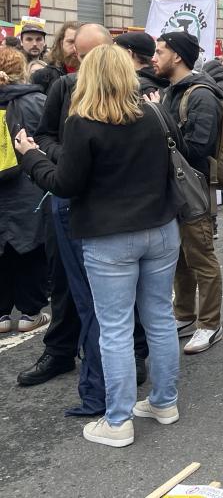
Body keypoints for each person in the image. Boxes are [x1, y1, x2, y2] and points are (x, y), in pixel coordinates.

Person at [16, 44, 183, 448]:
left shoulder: (82, 122)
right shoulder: (152, 113)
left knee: (115, 329)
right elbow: (182, 154)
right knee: (159, 318)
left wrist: (31, 156)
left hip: (109, 237)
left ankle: (119, 419)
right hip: (161, 228)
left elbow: (65, 185)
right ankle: (164, 401)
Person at [16, 24, 131, 416]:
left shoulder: (132, 90)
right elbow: (45, 135)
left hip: (113, 213)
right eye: (78, 53)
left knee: (113, 297)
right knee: (65, 283)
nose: (87, 61)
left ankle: (129, 361)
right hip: (64, 199)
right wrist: (68, 155)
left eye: (93, 52)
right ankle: (60, 351)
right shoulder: (63, 89)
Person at [154, 32, 223, 355]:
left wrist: (160, 122)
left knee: (201, 257)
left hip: (194, 187)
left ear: (178, 57)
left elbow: (200, 147)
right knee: (180, 257)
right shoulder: (172, 91)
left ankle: (210, 324)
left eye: (160, 51)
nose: (154, 58)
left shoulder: (201, 95)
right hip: (174, 188)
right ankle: (184, 314)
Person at [0, 48, 49, 334]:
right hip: (27, 187)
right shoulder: (37, 100)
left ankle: (3, 315)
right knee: (31, 247)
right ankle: (31, 313)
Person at [114, 32, 169, 97]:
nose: (112, 58)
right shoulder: (165, 79)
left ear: (128, 54)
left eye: (115, 53)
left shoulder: (137, 87)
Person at [31, 20, 79, 94]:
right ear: (61, 43)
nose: (75, 48)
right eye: (71, 42)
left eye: (79, 42)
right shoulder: (43, 76)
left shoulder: (95, 76)